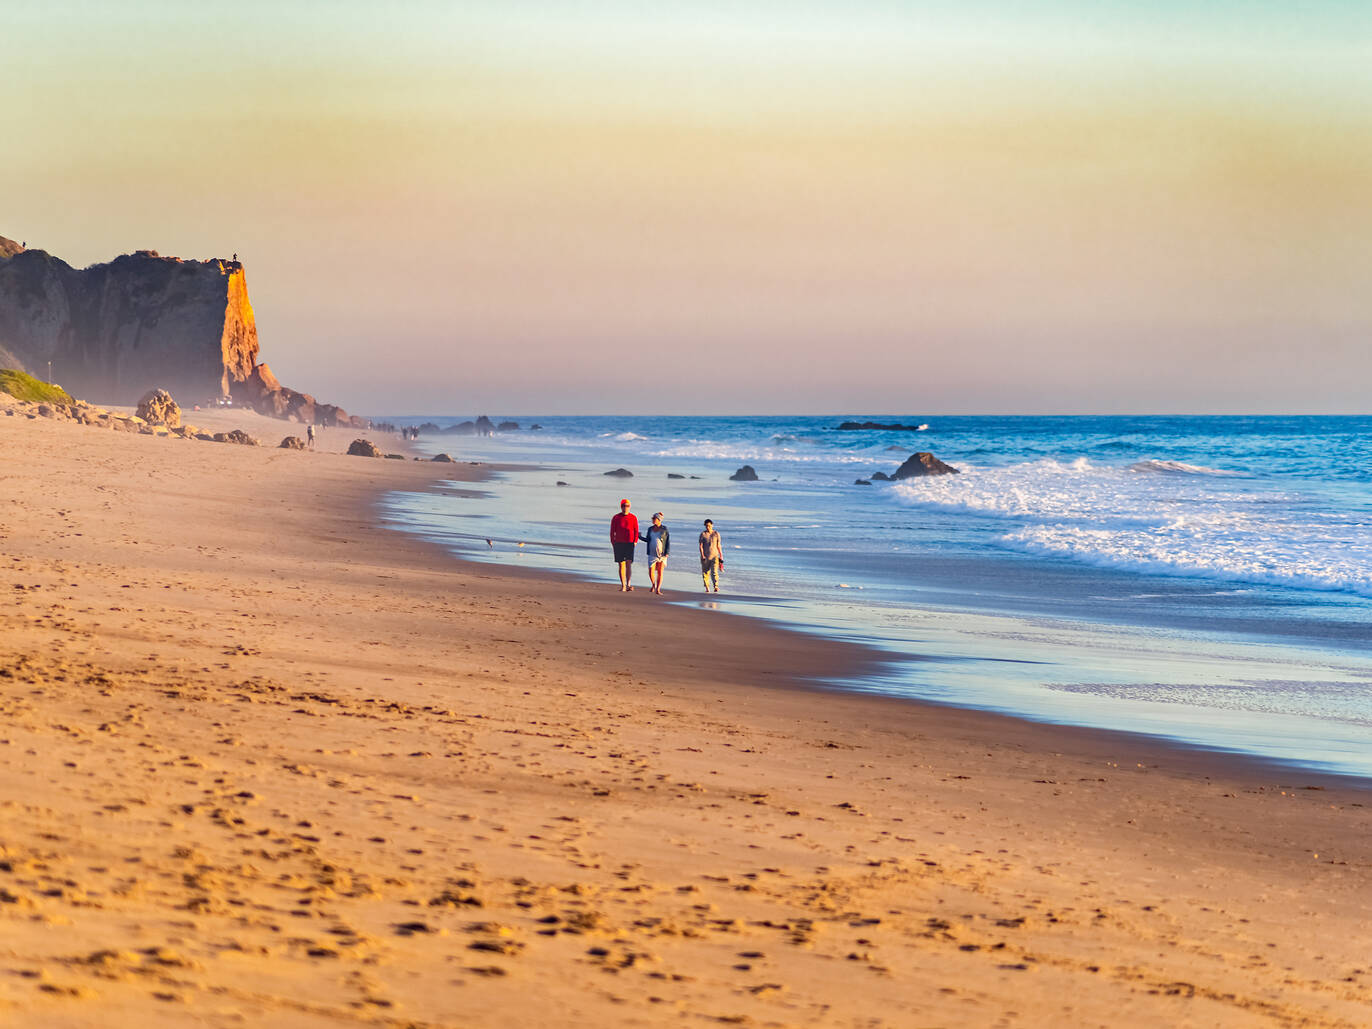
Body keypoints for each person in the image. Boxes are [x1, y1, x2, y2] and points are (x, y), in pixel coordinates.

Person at [610, 499, 639, 591]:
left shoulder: (633, 517)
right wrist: (613, 542)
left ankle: (628, 584)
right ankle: (623, 585)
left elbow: (636, 531)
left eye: (627, 506)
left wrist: (635, 541)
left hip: (630, 543)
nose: (625, 508)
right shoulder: (616, 517)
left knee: (628, 563)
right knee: (621, 564)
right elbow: (612, 531)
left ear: (629, 507)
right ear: (621, 507)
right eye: (624, 506)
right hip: (618, 543)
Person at [642, 512, 670, 595]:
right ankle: (653, 584)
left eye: (654, 518)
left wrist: (667, 552)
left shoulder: (664, 529)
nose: (652, 520)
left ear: (659, 520)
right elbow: (647, 539)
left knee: (660, 572)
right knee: (651, 571)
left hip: (662, 554)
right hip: (652, 553)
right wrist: (639, 536)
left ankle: (658, 589)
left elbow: (667, 541)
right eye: (652, 518)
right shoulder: (650, 529)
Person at [699, 518, 723, 592]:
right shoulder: (703, 534)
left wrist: (721, 555)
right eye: (706, 526)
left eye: (709, 525)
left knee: (714, 572)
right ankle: (707, 587)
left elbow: (719, 545)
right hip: (705, 557)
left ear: (712, 525)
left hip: (715, 556)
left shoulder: (716, 534)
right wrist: (702, 555)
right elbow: (701, 546)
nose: (708, 527)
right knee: (705, 573)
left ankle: (716, 586)